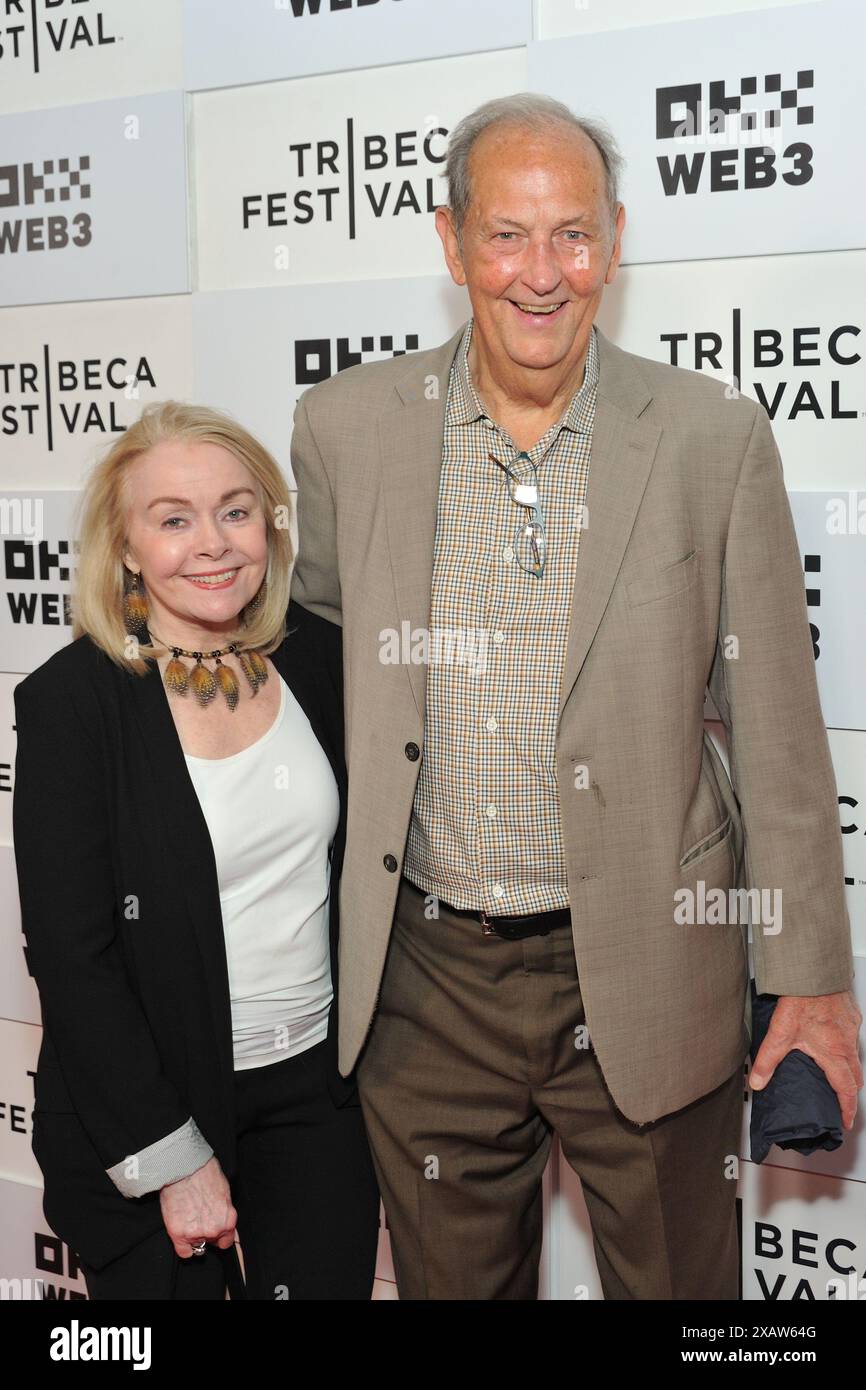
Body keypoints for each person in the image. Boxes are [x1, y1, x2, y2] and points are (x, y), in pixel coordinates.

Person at [288, 92, 862, 1300]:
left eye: (572, 234)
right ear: (450, 246)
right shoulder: (344, 430)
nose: (540, 274)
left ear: (615, 240)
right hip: (425, 993)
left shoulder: (710, 437)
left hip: (654, 977)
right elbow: (318, 673)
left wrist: (809, 979)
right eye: (505, 234)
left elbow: (774, 733)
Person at [13, 401, 379, 1300]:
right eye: (173, 519)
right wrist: (173, 1159)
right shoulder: (72, 705)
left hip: (315, 1096)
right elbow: (73, 958)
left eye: (237, 510)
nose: (213, 543)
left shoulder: (319, 661)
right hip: (149, 1106)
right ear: (127, 549)